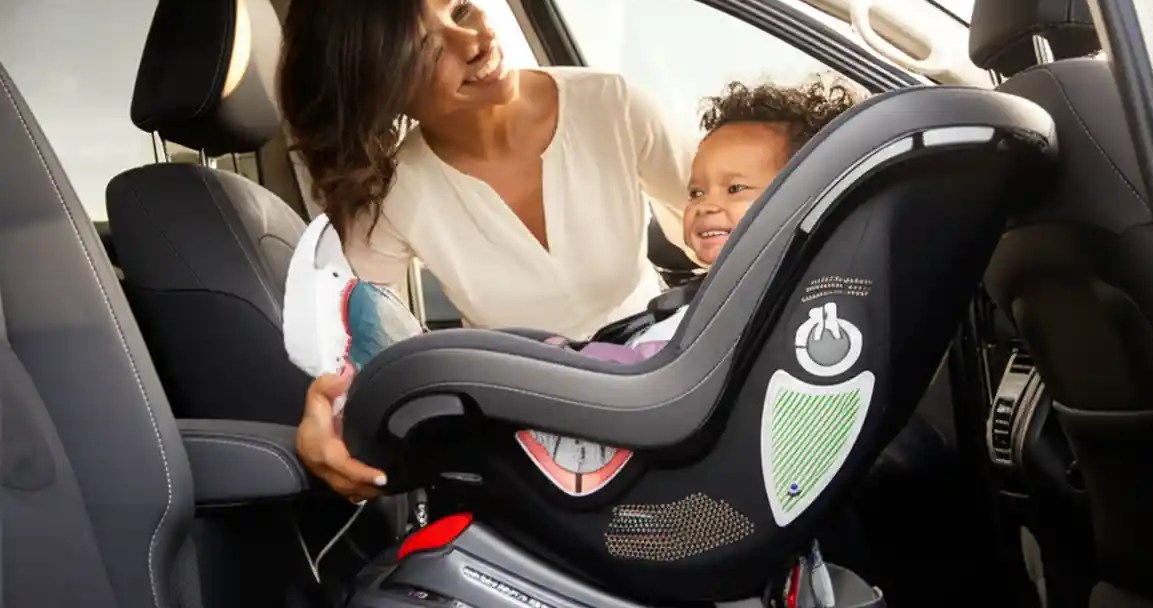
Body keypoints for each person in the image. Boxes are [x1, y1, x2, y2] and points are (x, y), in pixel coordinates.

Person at [287, 78, 864, 500]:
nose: (706, 204)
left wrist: (559, 362)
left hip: (633, 437)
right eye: (694, 193)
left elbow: (650, 369)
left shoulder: (771, 302)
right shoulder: (396, 187)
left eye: (735, 188)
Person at [278, 0, 696, 498]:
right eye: (427, 51)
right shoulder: (389, 193)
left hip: (661, 383)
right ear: (383, 90)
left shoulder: (610, 105)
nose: (473, 41)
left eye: (462, 9)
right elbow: (358, 348)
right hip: (529, 435)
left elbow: (724, 228)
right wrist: (322, 422)